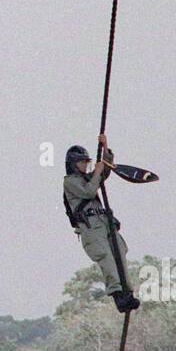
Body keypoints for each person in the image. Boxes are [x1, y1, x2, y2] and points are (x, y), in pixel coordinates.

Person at [63, 134, 141, 313]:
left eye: (87, 162)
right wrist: (97, 172)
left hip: (105, 224)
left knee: (119, 254)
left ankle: (127, 293)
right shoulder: (70, 183)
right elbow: (89, 192)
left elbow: (105, 172)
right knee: (107, 258)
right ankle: (118, 296)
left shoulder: (89, 177)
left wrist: (106, 148)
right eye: (82, 162)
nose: (85, 166)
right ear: (73, 164)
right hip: (91, 229)